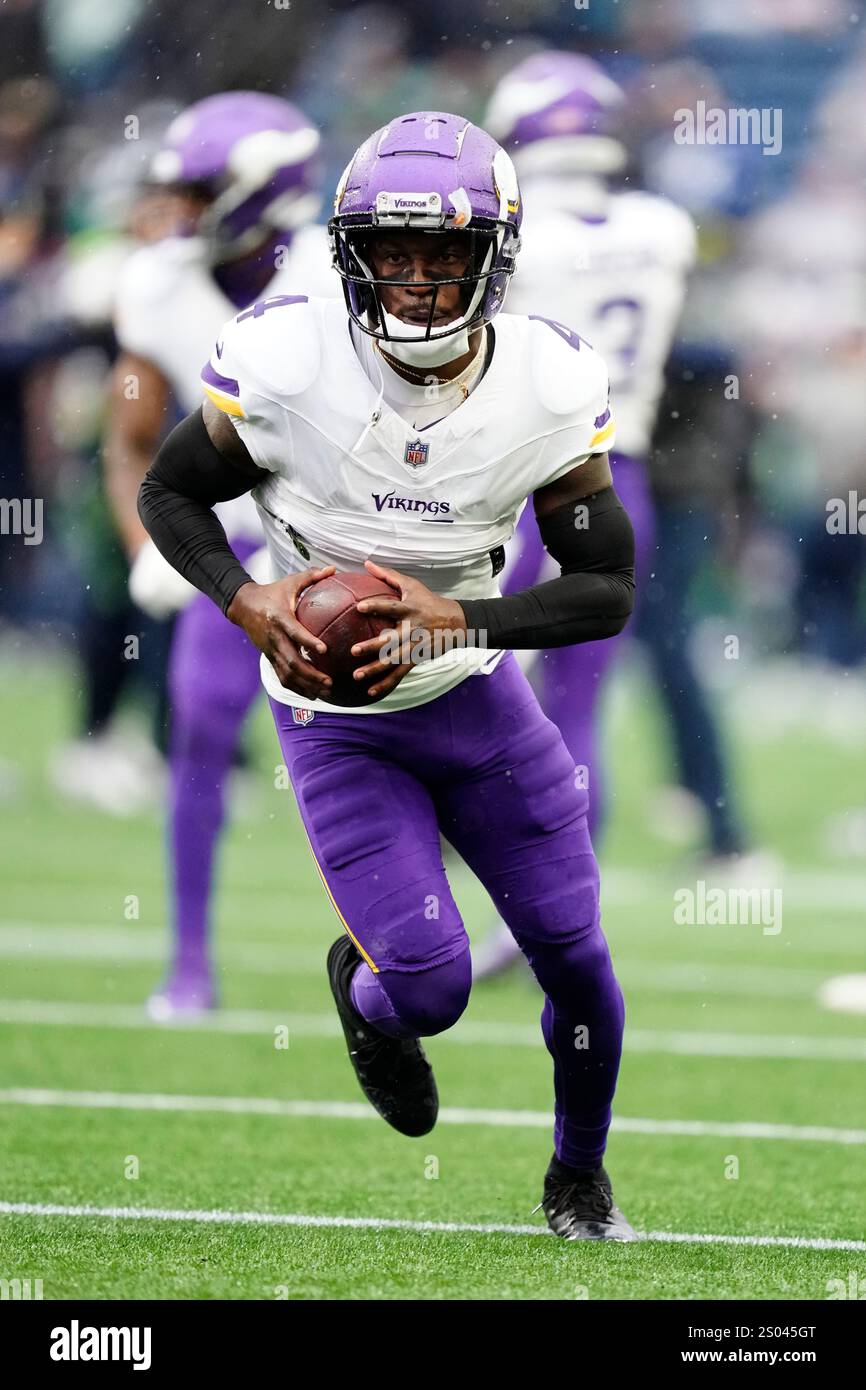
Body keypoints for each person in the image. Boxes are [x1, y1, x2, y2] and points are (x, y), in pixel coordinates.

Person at [138, 111, 637, 1239]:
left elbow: (606, 584)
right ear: (350, 255)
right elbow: (169, 493)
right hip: (334, 722)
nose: (416, 280)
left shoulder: (545, 382)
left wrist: (459, 618)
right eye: (393, 253)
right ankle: (365, 997)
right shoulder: (282, 356)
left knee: (574, 955)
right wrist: (246, 596)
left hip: (474, 699)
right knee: (429, 988)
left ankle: (576, 1175)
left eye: (444, 254)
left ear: (492, 256)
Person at [475, 52, 750, 979]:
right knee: (571, 708)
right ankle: (551, 911)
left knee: (480, 687)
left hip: (520, 480)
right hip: (615, 478)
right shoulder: (661, 227)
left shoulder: (518, 238)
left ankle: (530, 906)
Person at [104, 92, 335, 1017]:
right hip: (231, 547)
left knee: (383, 748)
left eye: (203, 191)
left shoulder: (336, 274)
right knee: (199, 733)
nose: (182, 210)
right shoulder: (156, 284)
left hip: (343, 540)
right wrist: (143, 548)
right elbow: (127, 437)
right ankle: (189, 961)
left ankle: (421, 948)